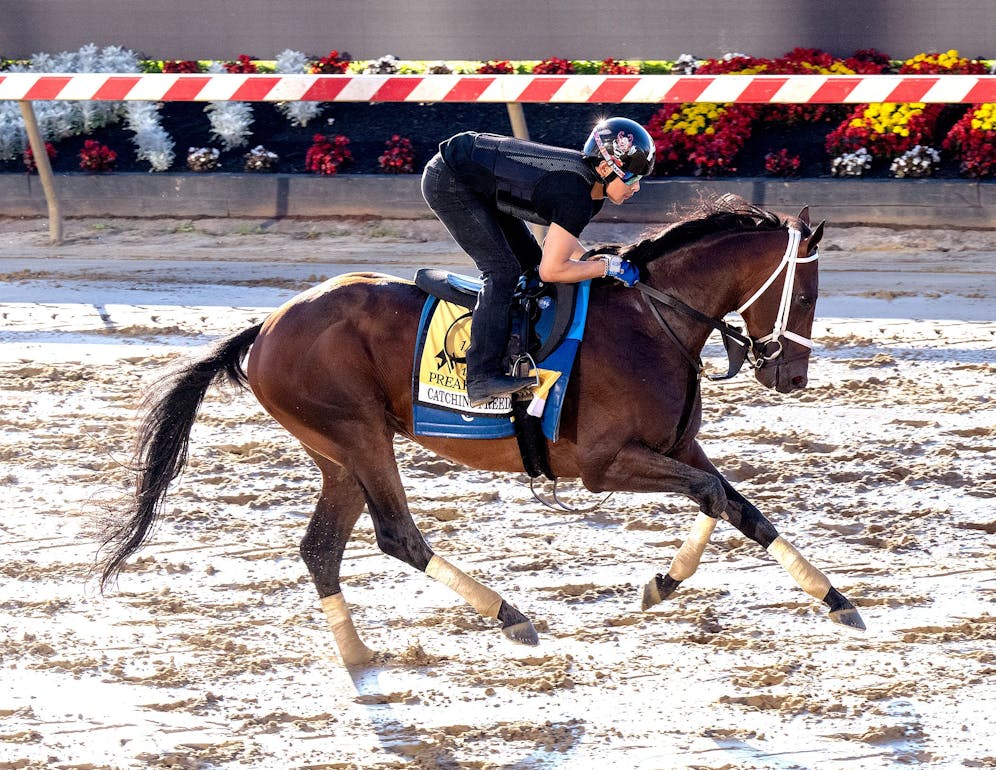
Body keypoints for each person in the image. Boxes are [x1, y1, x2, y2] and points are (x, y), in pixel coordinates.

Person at [421, 116, 654, 407]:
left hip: (480, 184)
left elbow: (557, 247)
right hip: (450, 180)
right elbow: (553, 269)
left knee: (527, 265)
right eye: (631, 178)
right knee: (503, 272)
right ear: (606, 168)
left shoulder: (592, 194)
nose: (637, 187)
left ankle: (513, 347)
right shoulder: (577, 196)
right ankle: (481, 376)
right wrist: (607, 266)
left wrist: (593, 262)